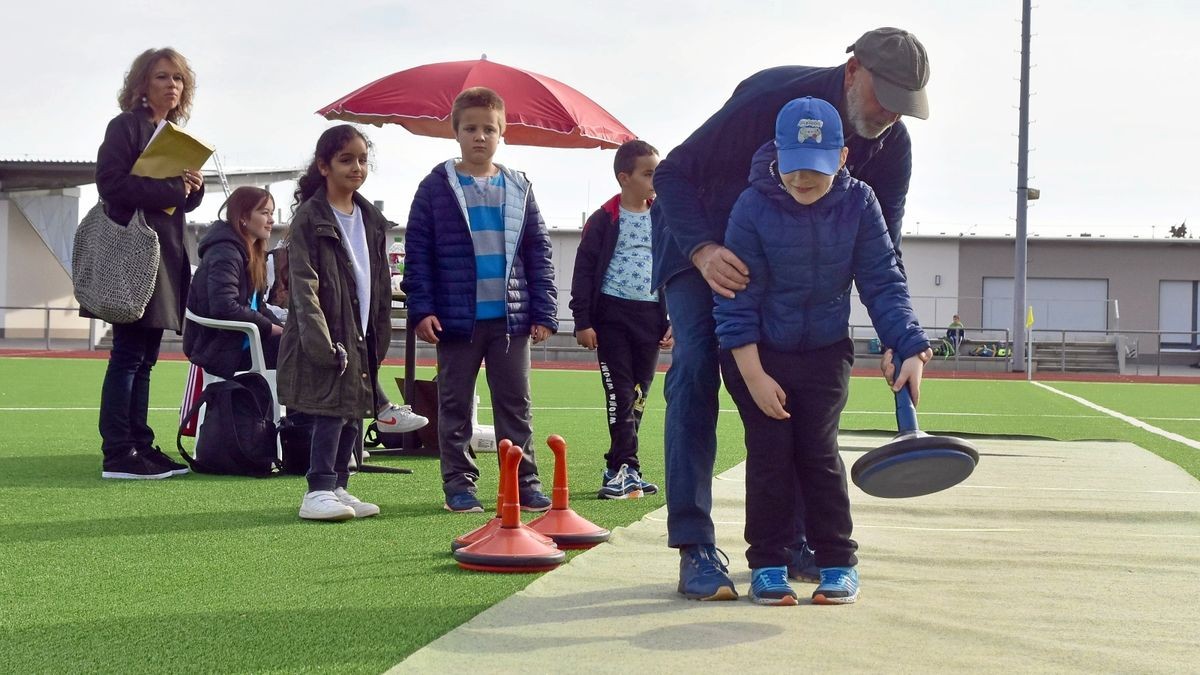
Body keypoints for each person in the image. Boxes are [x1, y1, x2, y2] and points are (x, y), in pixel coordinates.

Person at [651, 27, 934, 599]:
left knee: (802, 393)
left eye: (906, 107)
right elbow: (671, 173)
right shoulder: (768, 98)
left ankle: (797, 540)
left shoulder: (891, 145)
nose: (891, 115)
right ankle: (694, 543)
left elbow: (883, 256)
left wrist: (896, 336)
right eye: (886, 98)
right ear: (853, 70)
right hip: (704, 245)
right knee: (699, 364)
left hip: (790, 273)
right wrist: (705, 250)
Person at [715, 96, 930, 605]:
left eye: (814, 169)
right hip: (758, 355)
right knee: (768, 458)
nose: (800, 181)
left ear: (840, 158)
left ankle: (837, 561)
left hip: (825, 352)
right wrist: (753, 375)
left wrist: (909, 345)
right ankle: (768, 563)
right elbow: (737, 300)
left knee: (819, 453)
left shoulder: (860, 204)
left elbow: (883, 282)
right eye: (791, 168)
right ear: (777, 155)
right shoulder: (752, 205)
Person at [403, 87, 557, 514]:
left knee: (516, 405)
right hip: (456, 321)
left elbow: (538, 251)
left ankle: (524, 483)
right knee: (454, 406)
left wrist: (543, 311)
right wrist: (422, 309)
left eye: (489, 129)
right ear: (455, 132)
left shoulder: (519, 187)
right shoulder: (435, 188)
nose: (479, 136)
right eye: (470, 128)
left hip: (511, 321)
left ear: (502, 132)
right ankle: (459, 485)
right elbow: (418, 252)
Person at [94, 47, 205, 480]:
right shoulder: (124, 127)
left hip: (165, 253)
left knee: (146, 358)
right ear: (142, 84)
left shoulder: (174, 133)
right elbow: (111, 184)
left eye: (178, 79)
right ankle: (118, 453)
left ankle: (140, 444)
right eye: (162, 77)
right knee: (126, 355)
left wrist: (191, 189)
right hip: (133, 253)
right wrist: (173, 188)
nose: (172, 85)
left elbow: (181, 202)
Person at [277, 124, 391, 521]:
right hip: (329, 328)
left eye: (362, 159)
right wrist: (319, 340)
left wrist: (380, 329)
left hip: (361, 328)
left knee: (353, 410)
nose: (357, 167)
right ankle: (318, 489)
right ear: (323, 166)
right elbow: (304, 285)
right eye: (346, 160)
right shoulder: (310, 217)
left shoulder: (371, 219)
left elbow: (376, 280)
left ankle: (340, 485)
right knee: (329, 409)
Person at [569, 140, 673, 500]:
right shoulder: (603, 220)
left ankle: (617, 467)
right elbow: (583, 272)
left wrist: (672, 316)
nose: (654, 180)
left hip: (651, 318)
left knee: (640, 396)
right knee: (620, 394)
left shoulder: (663, 216)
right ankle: (629, 467)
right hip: (611, 318)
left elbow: (674, 268)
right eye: (648, 174)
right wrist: (583, 320)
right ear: (624, 178)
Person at [184, 186, 283, 378]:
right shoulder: (225, 252)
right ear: (243, 217)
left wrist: (281, 328)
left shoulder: (252, 253)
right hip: (221, 348)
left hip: (243, 340)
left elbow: (258, 306)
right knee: (299, 356)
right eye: (264, 213)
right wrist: (269, 327)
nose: (271, 220)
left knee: (299, 347)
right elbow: (223, 306)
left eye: (271, 213)